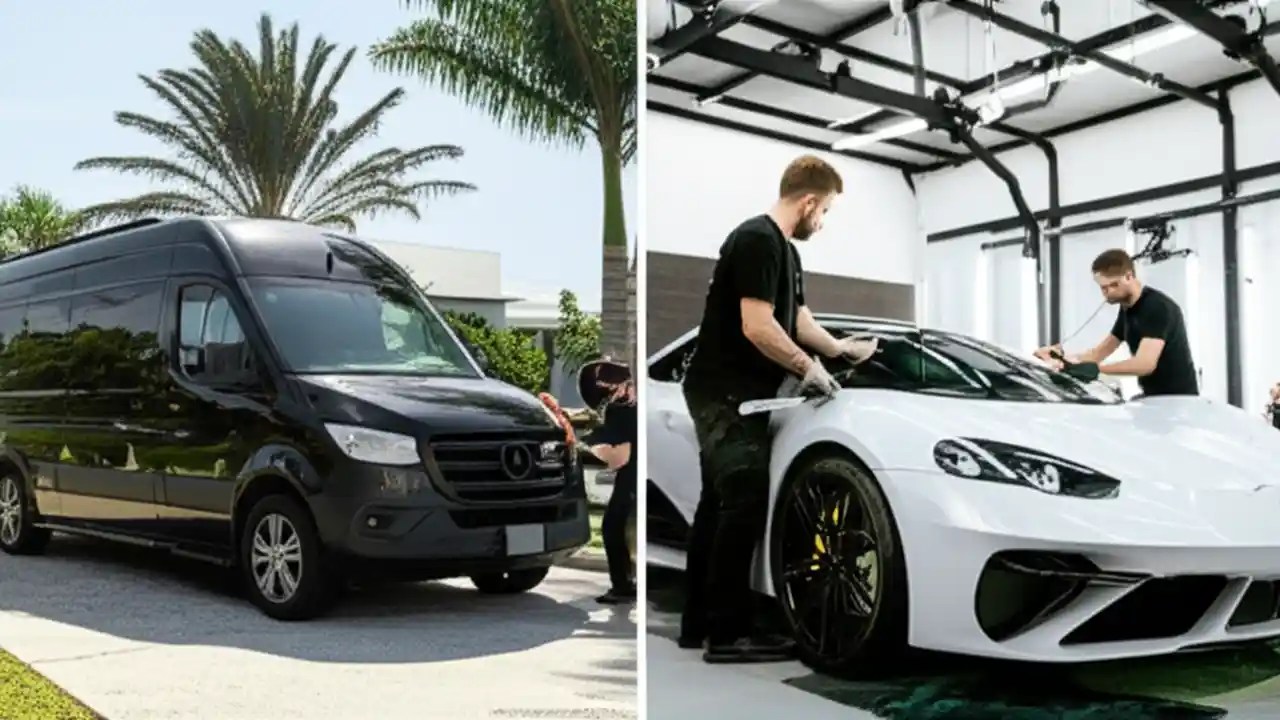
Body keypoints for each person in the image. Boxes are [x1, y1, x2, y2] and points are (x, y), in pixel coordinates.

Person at [677, 155, 879, 664]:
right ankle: (728, 636)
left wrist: (838, 351)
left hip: (736, 391)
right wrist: (807, 369)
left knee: (716, 505)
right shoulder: (756, 240)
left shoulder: (785, 252)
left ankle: (697, 623)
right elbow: (758, 326)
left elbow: (800, 319)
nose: (824, 221)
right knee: (743, 499)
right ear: (809, 201)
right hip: (724, 393)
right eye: (826, 210)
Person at [1035, 248, 1198, 398]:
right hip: (1153, 396)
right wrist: (1062, 359)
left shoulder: (1157, 308)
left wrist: (1097, 370)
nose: (1108, 293)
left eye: (1114, 285)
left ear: (1129, 276)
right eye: (1103, 288)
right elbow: (1098, 353)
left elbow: (1145, 364)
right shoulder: (1127, 308)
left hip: (1178, 399)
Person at [579, 359, 637, 604]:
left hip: (633, 473)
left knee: (612, 526)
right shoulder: (633, 401)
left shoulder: (620, 408)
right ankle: (627, 582)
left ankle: (623, 585)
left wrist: (583, 442)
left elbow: (618, 457)